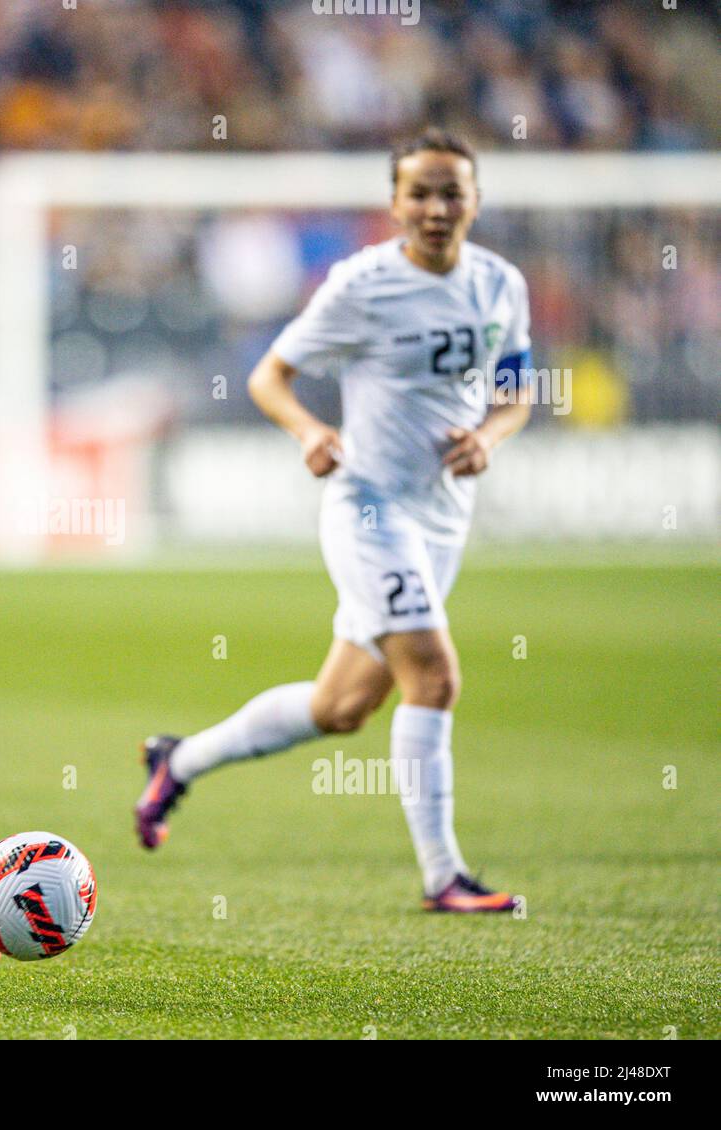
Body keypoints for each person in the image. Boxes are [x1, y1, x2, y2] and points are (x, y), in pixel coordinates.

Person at [135, 130, 532, 913]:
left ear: (475, 201)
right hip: (369, 508)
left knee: (341, 708)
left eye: (452, 192)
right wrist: (311, 433)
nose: (436, 207)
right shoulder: (362, 284)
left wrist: (488, 436)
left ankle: (177, 760)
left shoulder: (500, 285)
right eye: (419, 193)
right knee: (436, 675)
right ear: (395, 204)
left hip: (443, 520)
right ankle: (442, 876)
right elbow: (269, 376)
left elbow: (517, 392)